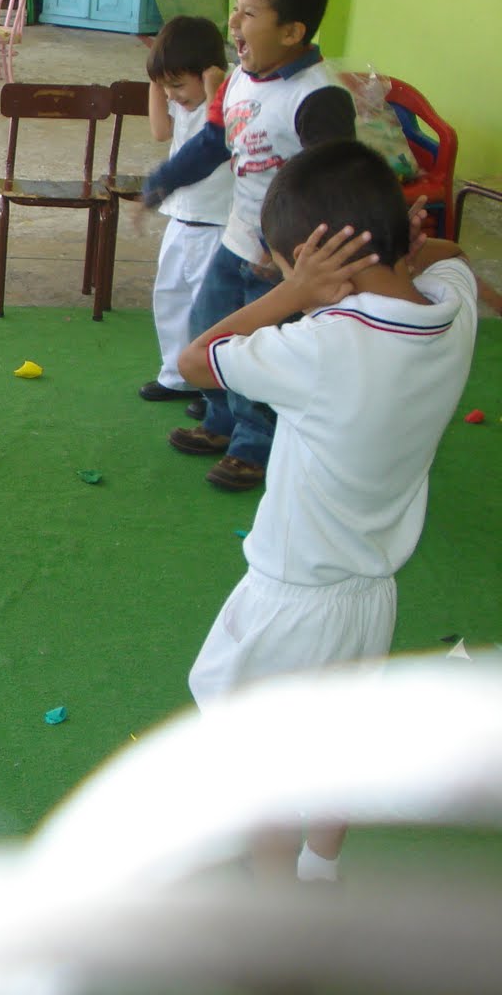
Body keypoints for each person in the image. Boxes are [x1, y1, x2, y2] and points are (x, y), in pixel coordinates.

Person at [177, 139, 480, 881]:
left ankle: (279, 915)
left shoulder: (320, 342)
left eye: (284, 267)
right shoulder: (453, 312)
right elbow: (451, 256)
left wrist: (292, 297)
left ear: (317, 263)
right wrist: (406, 244)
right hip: (371, 590)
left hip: (294, 593)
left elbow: (196, 360)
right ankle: (321, 868)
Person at [143, 0, 357, 492]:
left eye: (249, 14)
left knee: (262, 346)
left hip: (285, 257)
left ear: (291, 31)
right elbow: (215, 141)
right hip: (238, 238)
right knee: (210, 327)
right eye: (235, 12)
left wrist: (292, 248)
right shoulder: (240, 79)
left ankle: (254, 444)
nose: (233, 26)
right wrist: (166, 177)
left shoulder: (317, 97)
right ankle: (221, 418)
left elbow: (332, 180)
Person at [137, 16, 232, 415]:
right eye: (167, 87)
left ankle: (213, 390)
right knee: (170, 296)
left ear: (209, 72)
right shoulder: (181, 103)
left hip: (218, 224)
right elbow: (160, 131)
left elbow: (222, 132)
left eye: (179, 85)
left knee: (209, 309)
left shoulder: (223, 102)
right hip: (182, 219)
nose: (174, 95)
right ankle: (177, 376)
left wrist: (214, 86)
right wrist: (156, 82)